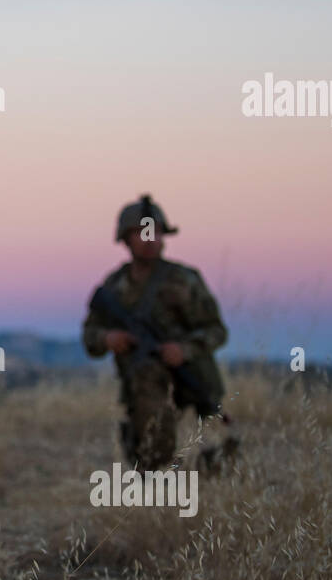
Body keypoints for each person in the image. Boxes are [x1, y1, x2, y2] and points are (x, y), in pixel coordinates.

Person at [82, 195, 232, 471]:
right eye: (142, 232)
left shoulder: (184, 280)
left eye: (156, 232)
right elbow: (90, 335)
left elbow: (216, 330)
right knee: (151, 459)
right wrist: (108, 339)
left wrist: (184, 350)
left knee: (216, 460)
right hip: (144, 389)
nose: (151, 239)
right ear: (126, 239)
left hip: (192, 380)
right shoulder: (114, 287)